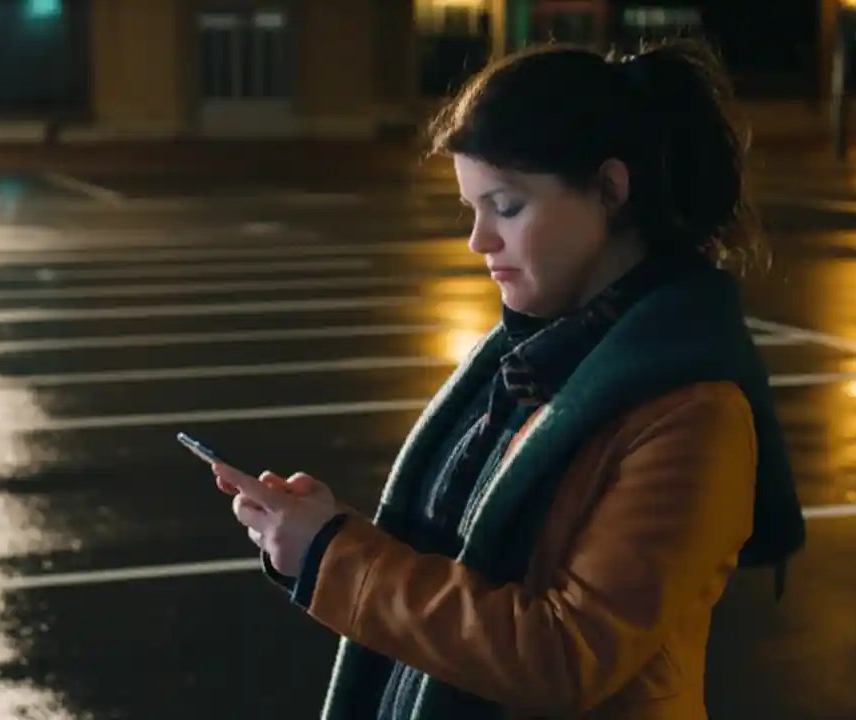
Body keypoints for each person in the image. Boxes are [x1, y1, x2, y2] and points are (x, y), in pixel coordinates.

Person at [213, 38, 806, 720]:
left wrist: (334, 557)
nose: (478, 239)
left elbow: (564, 655)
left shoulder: (692, 412)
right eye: (471, 208)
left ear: (611, 190)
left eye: (506, 206)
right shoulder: (529, 359)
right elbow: (451, 567)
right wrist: (323, 528)